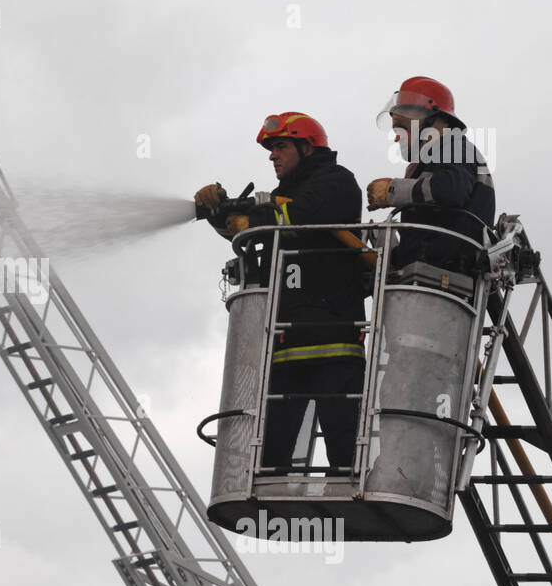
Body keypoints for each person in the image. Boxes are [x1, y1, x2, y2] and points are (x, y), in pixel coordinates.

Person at [195, 113, 367, 473]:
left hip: (333, 336)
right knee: (271, 452)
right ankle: (270, 487)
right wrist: (218, 213)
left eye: (281, 146)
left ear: (307, 147)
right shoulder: (278, 197)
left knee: (345, 445)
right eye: (271, 149)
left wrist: (254, 218)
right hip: (285, 341)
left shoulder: (336, 182)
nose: (273, 156)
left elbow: (297, 217)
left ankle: (348, 490)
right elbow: (256, 229)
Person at [365, 76, 496, 272]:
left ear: (431, 121)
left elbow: (451, 189)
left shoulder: (455, 146)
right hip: (429, 273)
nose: (397, 137)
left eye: (402, 125)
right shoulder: (433, 161)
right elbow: (425, 239)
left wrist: (392, 191)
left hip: (445, 274)